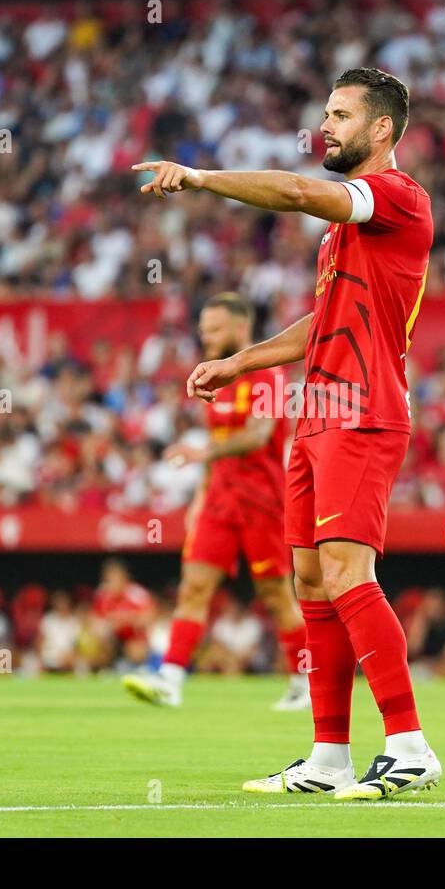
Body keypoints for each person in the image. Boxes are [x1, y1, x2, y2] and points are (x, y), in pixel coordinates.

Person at [134, 66, 440, 799]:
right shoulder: (346, 234)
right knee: (311, 584)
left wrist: (201, 179)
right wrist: (241, 361)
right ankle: (328, 757)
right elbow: (324, 320)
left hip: (363, 409)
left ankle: (410, 746)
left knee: (346, 574)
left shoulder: (397, 198)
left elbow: (302, 192)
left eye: (340, 115)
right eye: (324, 112)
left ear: (381, 130)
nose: (325, 126)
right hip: (316, 414)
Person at [121, 294, 309, 710]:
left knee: (276, 595)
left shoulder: (270, 376)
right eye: (203, 328)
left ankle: (304, 680)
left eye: (214, 328)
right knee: (194, 586)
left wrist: (201, 454)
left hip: (263, 502)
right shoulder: (213, 377)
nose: (205, 335)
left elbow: (259, 435)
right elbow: (217, 443)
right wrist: (199, 499)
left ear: (241, 328)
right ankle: (170, 677)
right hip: (219, 502)